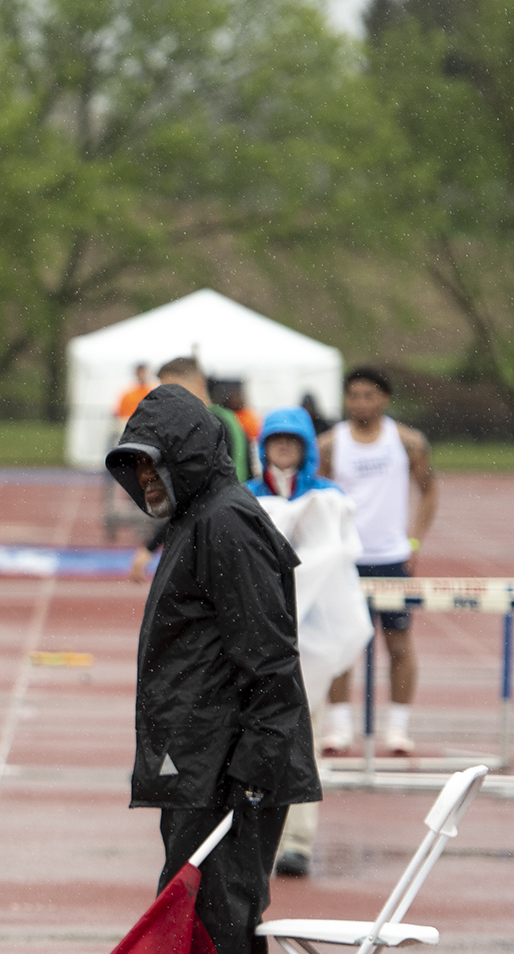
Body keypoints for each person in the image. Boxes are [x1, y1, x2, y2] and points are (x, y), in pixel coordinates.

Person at [106, 384, 318, 954]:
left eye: (153, 465)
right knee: (201, 926)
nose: (145, 480)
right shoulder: (198, 516)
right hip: (204, 766)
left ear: (187, 456)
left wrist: (251, 777)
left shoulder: (227, 524)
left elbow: (270, 658)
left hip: (230, 775)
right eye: (135, 468)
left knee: (212, 927)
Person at [249, 408, 371, 880]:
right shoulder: (247, 496)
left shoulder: (329, 499)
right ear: (264, 447)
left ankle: (297, 841)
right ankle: (256, 836)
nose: (283, 448)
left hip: (310, 647)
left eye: (291, 441)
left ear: (305, 447)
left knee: (305, 739)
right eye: (275, 440)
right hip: (260, 642)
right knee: (254, 740)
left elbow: (341, 561)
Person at [318, 367, 439, 757]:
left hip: (391, 558)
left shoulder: (406, 441)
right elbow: (316, 497)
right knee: (341, 644)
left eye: (369, 395)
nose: (360, 403)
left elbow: (430, 490)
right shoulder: (330, 445)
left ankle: (398, 729)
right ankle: (338, 727)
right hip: (347, 558)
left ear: (384, 398)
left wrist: (415, 539)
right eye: (353, 396)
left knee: (399, 643)